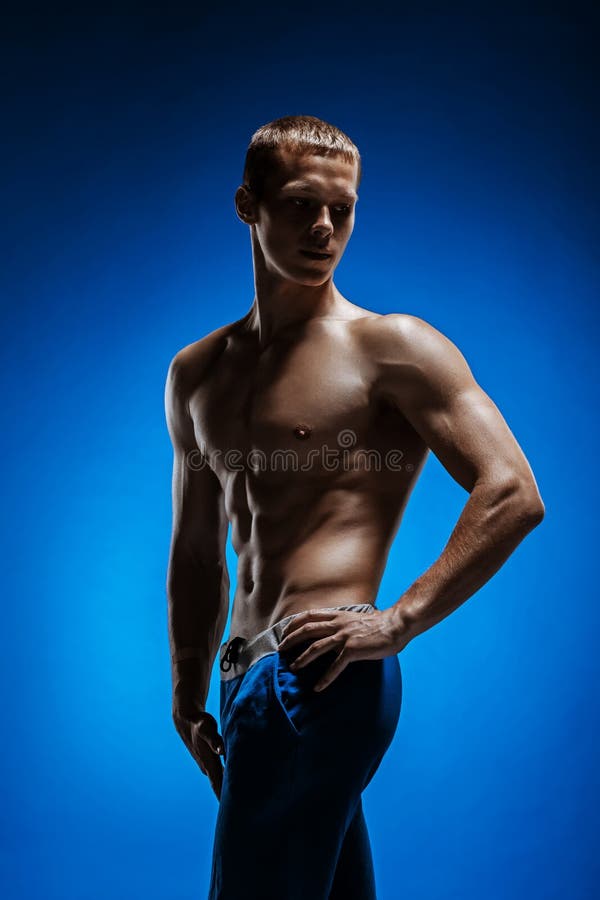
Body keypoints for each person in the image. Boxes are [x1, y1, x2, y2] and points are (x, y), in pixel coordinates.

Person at [164, 114, 545, 899]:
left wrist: (399, 620)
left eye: (344, 208)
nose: (326, 226)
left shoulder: (392, 348)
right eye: (303, 204)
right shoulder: (197, 373)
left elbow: (513, 491)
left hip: (320, 673)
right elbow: (199, 550)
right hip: (243, 686)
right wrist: (188, 693)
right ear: (249, 204)